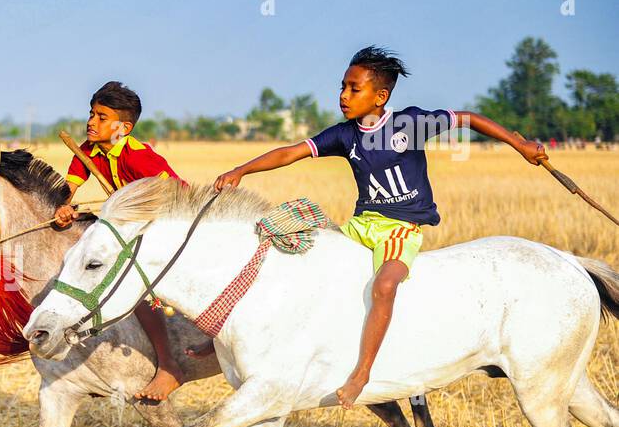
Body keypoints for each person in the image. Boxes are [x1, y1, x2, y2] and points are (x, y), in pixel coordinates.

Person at [213, 45, 546, 407]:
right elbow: (291, 152)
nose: (343, 95)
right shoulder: (344, 135)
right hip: (361, 225)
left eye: (354, 89)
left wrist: (519, 144)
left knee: (385, 285)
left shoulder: (410, 124)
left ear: (380, 96)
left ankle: (362, 372)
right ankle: (220, 334)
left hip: (400, 228)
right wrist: (241, 170)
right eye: (342, 86)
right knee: (299, 254)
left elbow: (466, 118)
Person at [54, 81, 196, 401]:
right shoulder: (87, 149)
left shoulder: (140, 157)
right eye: (91, 113)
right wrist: (63, 207)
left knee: (138, 291)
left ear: (124, 127)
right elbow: (69, 188)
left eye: (102, 117)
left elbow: (179, 195)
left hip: (164, 224)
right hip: (130, 227)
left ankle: (169, 366)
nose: (92, 122)